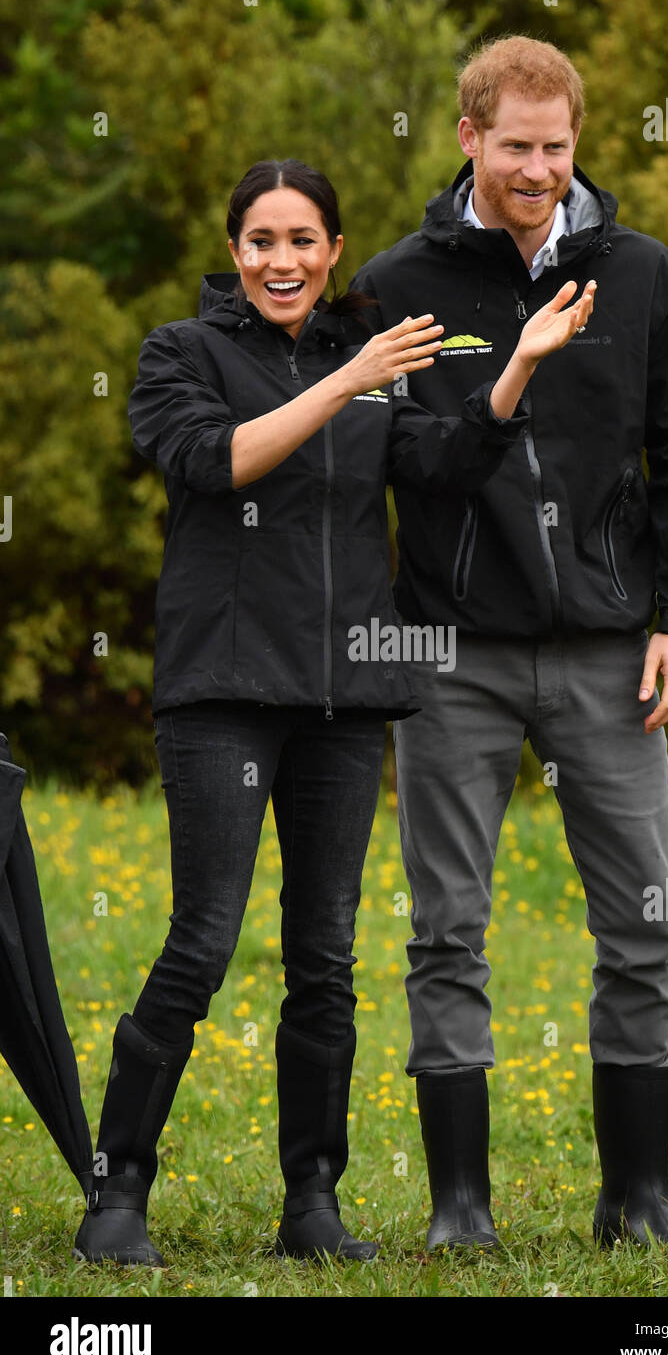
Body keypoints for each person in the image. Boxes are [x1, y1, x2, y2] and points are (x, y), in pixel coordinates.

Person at [72, 158, 596, 1267]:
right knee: (202, 942)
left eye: (303, 240)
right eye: (261, 239)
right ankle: (118, 1191)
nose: (282, 261)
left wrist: (511, 377)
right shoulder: (183, 354)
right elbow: (218, 463)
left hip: (348, 697)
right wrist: (351, 373)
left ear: (329, 248)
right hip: (223, 690)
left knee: (325, 958)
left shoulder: (380, 365)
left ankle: (311, 1201)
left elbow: (444, 465)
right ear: (233, 251)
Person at [350, 36, 668, 1254]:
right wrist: (505, 378)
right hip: (452, 652)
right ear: (467, 137)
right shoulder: (398, 282)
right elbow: (405, 462)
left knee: (643, 923)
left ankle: (638, 1197)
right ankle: (460, 1208)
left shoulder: (647, 276)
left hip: (608, 650)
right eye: (515, 147)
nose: (537, 170)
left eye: (557, 149)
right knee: (444, 930)